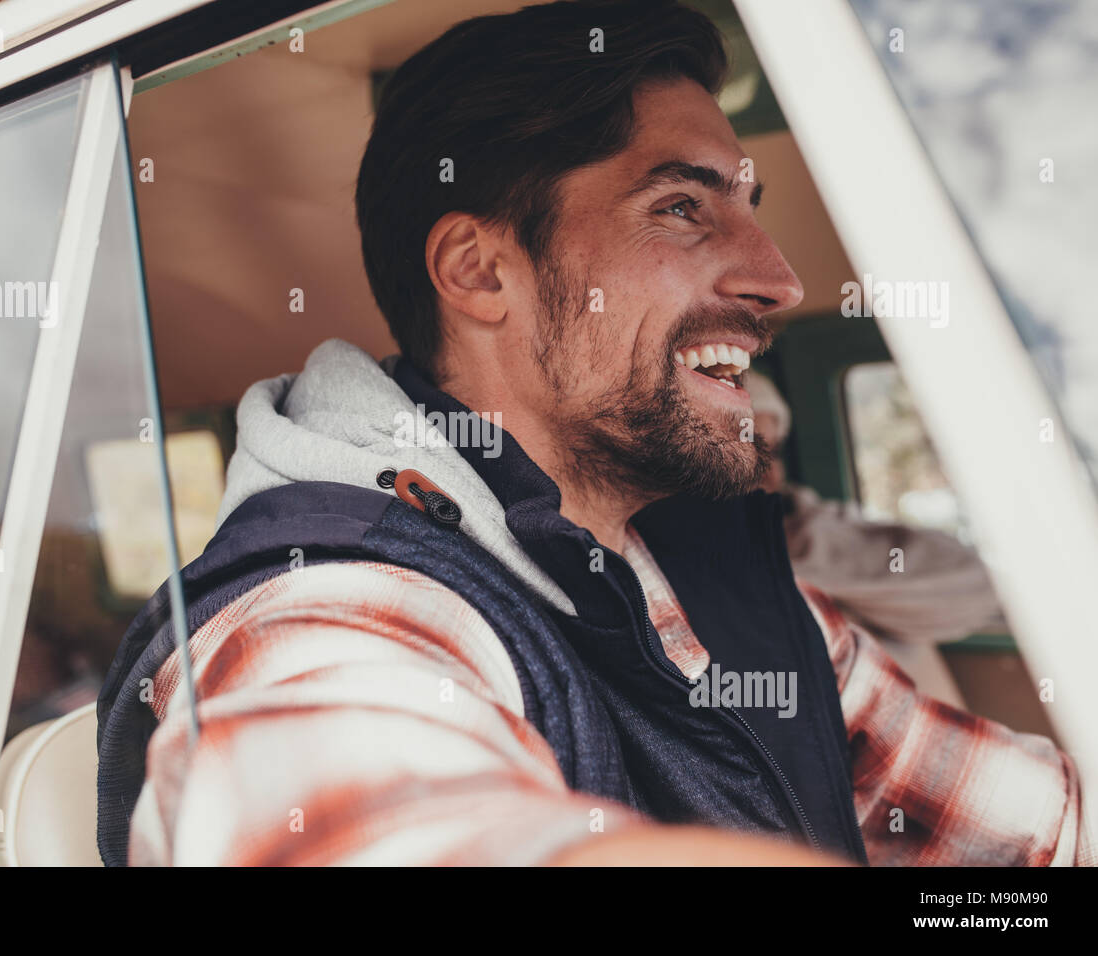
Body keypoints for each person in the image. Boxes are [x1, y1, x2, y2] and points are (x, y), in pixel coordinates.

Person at [97, 0, 1091, 866]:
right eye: (680, 207)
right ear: (480, 273)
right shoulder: (323, 604)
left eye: (749, 205)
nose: (777, 280)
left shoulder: (716, 575)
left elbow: (1025, 826)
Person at [745, 371, 1008, 646]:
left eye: (774, 453)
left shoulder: (806, 522)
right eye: (744, 450)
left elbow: (974, 582)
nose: (770, 473)